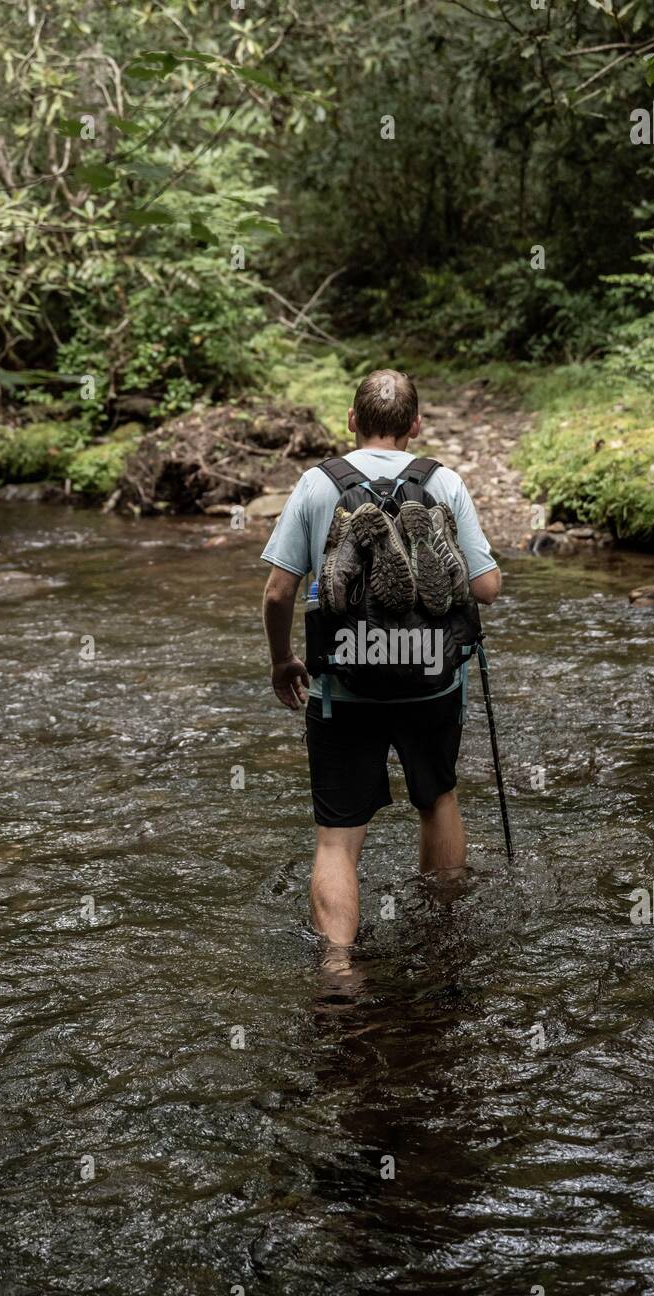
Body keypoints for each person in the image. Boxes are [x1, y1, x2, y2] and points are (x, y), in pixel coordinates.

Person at [261, 369, 501, 946]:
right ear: (416, 425)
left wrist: (282, 660)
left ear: (351, 421)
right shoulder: (443, 481)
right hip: (430, 679)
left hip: (346, 683)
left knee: (338, 838)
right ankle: (442, 939)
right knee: (437, 799)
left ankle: (339, 970)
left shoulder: (318, 484)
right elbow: (487, 588)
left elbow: (277, 592)